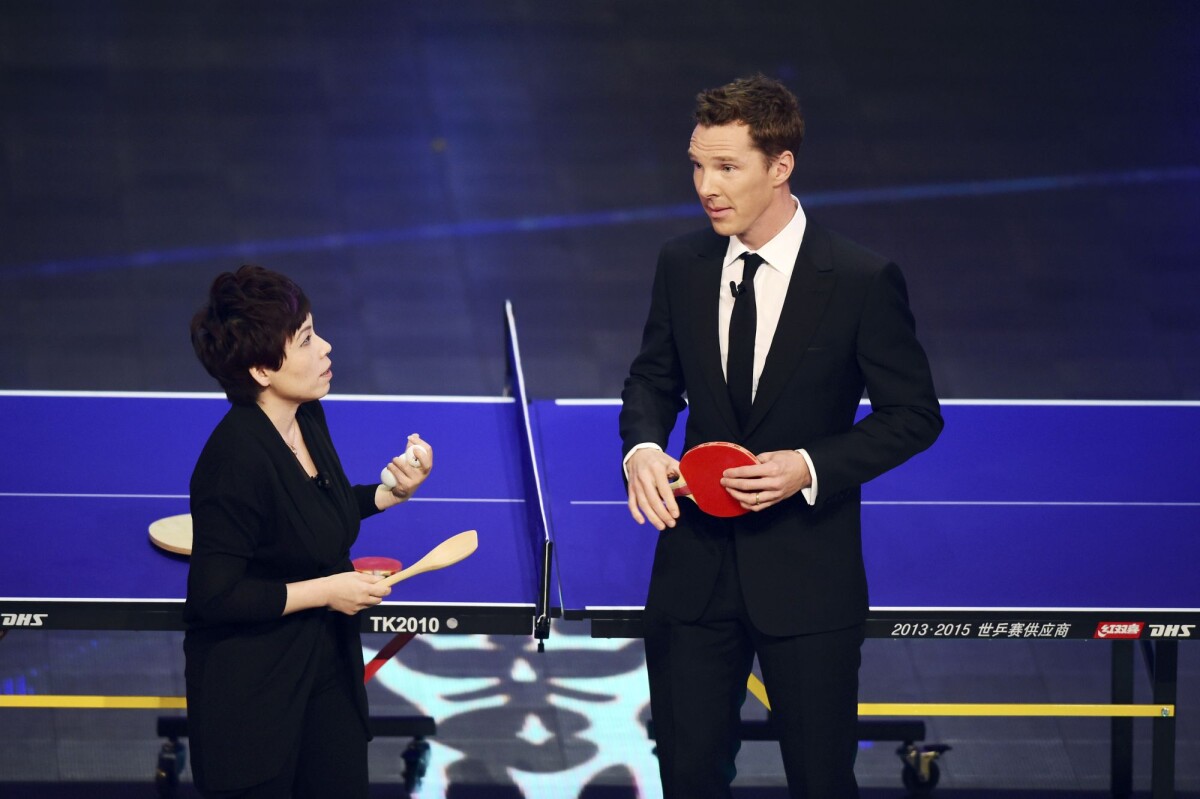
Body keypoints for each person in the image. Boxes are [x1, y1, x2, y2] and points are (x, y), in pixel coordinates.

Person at [620, 75, 943, 798]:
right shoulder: (683, 263)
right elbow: (651, 379)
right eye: (698, 164)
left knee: (822, 778)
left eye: (728, 167)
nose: (707, 185)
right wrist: (642, 446)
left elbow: (914, 414)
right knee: (689, 773)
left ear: (781, 165)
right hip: (694, 572)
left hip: (808, 575)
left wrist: (808, 465)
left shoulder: (860, 279)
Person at [184, 264, 432, 798]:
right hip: (255, 699)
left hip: (326, 673)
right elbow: (215, 596)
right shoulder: (234, 460)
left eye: (315, 331)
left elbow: (321, 515)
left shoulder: (307, 417)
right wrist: (328, 591)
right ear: (260, 370)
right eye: (306, 340)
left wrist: (393, 491)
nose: (326, 347)